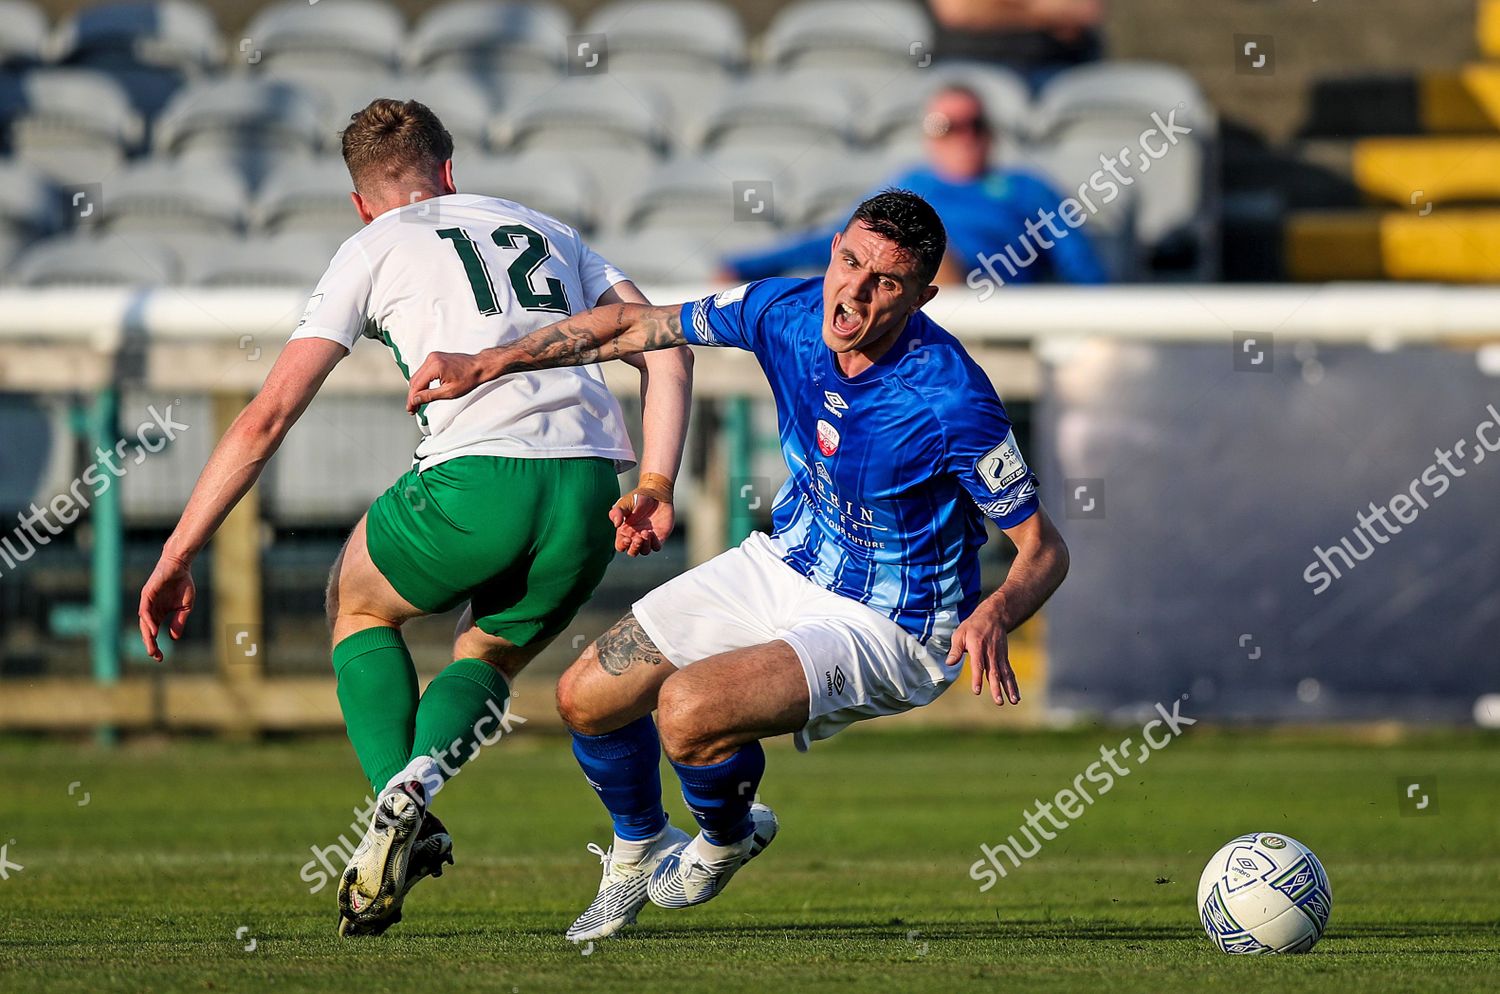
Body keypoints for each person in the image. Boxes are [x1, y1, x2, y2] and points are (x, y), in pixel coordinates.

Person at [406, 190, 1070, 942]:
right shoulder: (782, 310)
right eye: (849, 261)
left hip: (894, 622)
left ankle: (725, 836)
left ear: (923, 294)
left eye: (885, 282)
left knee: (688, 711)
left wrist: (998, 610)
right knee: (585, 697)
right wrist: (491, 361)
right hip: (786, 560)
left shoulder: (951, 398)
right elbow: (637, 325)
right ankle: (638, 850)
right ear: (833, 252)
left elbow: (1044, 548)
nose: (852, 291)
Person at [135, 99, 693, 937]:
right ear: (450, 172)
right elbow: (667, 345)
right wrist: (655, 481)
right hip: (588, 487)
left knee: (355, 602)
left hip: (477, 480)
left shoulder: (369, 245)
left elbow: (266, 418)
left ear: (362, 200)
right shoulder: (546, 228)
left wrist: (178, 553)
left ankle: (396, 793)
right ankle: (419, 787)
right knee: (488, 656)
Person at [722, 85, 1107, 287]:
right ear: (928, 137)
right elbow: (834, 239)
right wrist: (740, 266)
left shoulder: (1028, 188)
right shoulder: (910, 185)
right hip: (913, 300)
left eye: (975, 124)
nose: (964, 136)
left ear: (990, 132)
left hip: (997, 308)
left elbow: (1082, 269)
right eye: (947, 127)